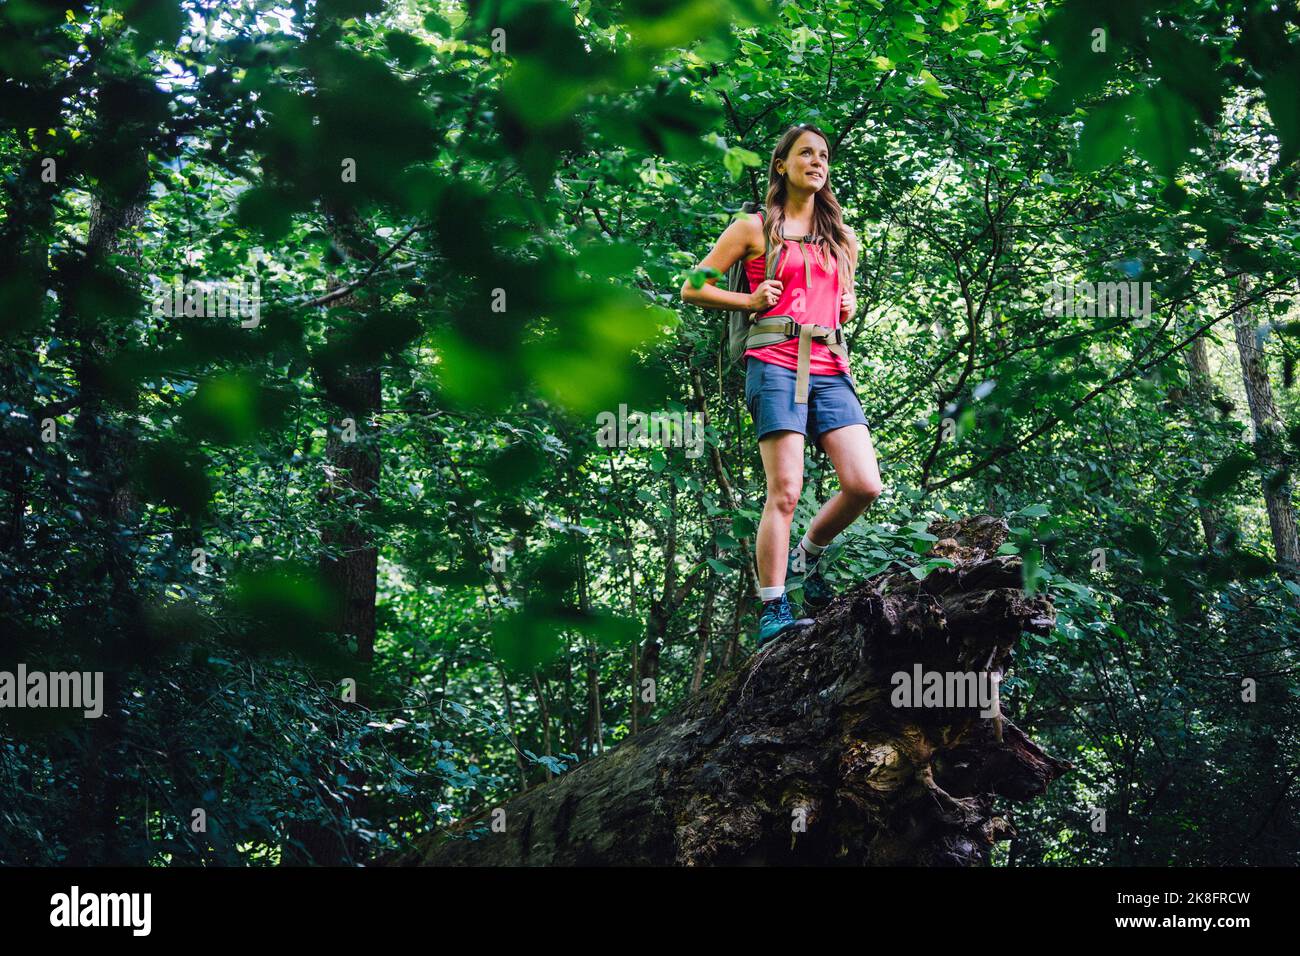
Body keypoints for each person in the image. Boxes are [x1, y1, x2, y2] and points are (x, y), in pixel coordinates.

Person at [680, 123, 884, 647]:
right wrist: (748, 301)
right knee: (786, 491)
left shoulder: (843, 238)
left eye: (823, 155)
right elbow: (692, 285)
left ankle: (809, 553)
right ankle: (773, 606)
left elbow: (843, 300)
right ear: (781, 165)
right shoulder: (753, 228)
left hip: (830, 366)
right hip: (773, 363)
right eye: (805, 153)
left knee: (864, 484)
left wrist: (849, 305)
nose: (816, 162)